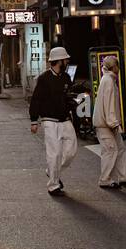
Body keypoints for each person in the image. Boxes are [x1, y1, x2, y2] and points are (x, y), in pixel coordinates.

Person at [29, 45, 78, 196]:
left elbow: (68, 95)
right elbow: (36, 99)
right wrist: (34, 120)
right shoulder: (44, 78)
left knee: (71, 151)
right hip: (49, 120)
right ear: (59, 61)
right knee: (54, 153)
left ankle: (51, 171)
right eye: (65, 59)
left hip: (65, 119)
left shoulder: (66, 78)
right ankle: (53, 185)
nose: (67, 61)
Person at [93, 54, 126, 189]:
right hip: (106, 124)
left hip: (107, 123)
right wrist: (114, 124)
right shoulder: (109, 81)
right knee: (110, 150)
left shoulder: (108, 79)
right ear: (114, 67)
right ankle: (105, 179)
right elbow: (109, 105)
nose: (119, 67)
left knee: (119, 148)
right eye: (117, 65)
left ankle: (124, 177)